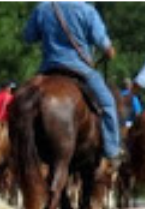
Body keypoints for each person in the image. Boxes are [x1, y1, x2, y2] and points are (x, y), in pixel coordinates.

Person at [24, 1, 121, 165]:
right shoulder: (87, 10)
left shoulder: (43, 7)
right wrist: (109, 51)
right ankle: (111, 150)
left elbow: (28, 36)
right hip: (79, 69)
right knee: (108, 104)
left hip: (48, 68)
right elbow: (104, 45)